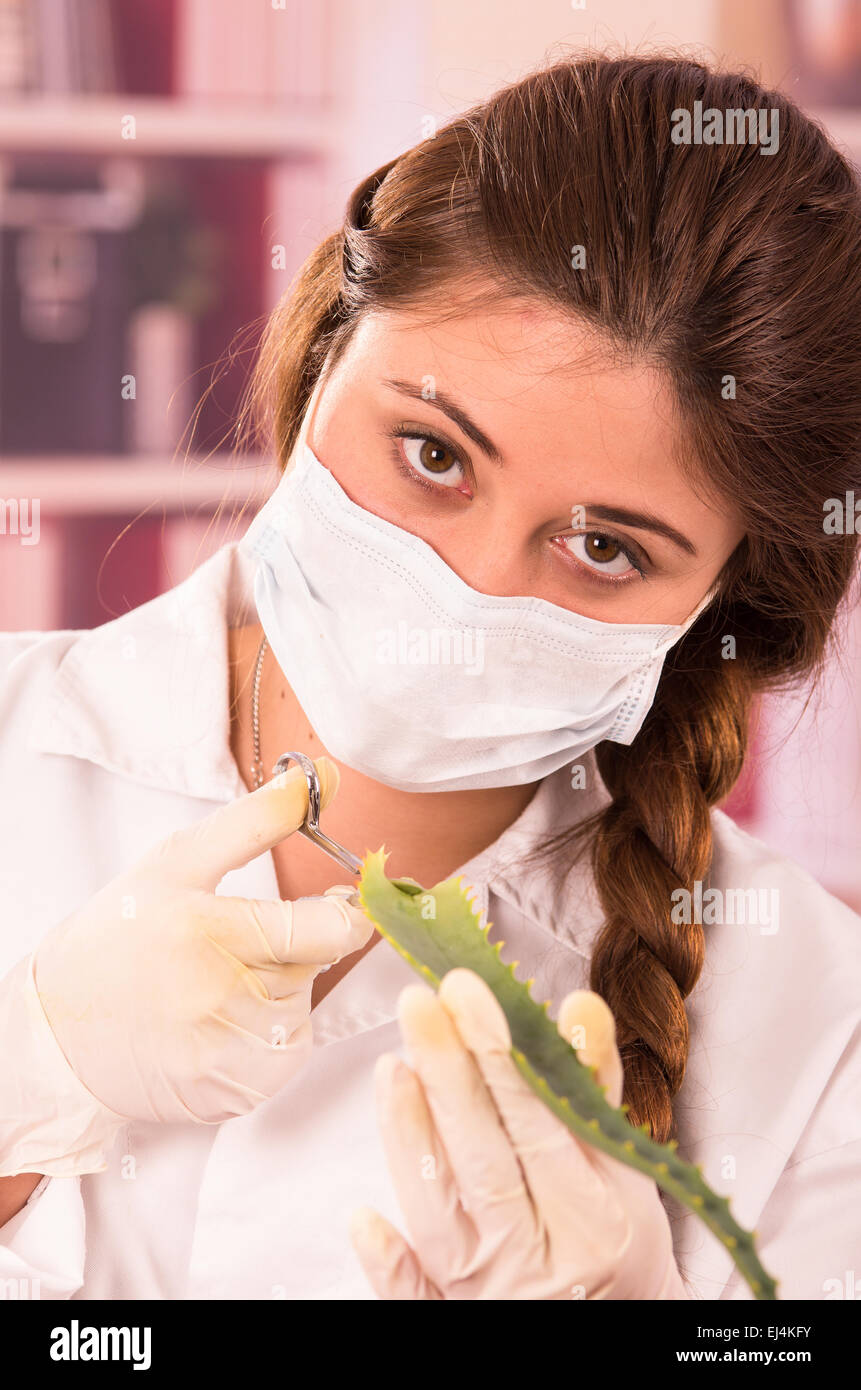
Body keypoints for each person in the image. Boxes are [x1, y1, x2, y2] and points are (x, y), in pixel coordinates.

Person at [1, 52, 859, 1301]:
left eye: (604, 547)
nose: (463, 591)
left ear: (730, 600)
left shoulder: (816, 1018)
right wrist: (29, 1068)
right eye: (433, 451)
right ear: (328, 343)